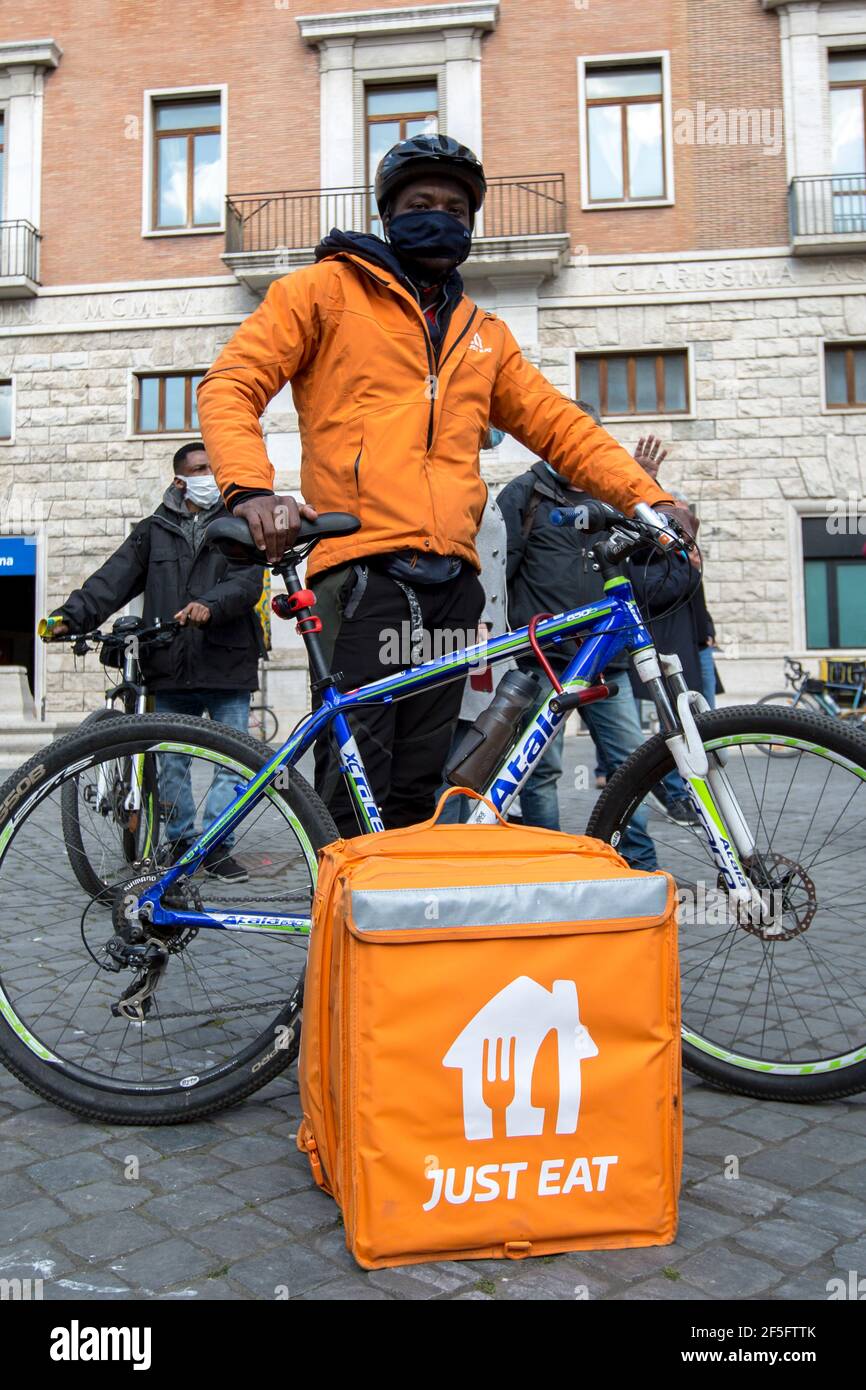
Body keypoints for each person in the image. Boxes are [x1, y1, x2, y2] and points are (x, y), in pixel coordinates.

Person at [196, 134, 681, 836]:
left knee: (423, 787)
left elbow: (558, 425)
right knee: (355, 784)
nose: (440, 217)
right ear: (388, 213)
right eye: (420, 203)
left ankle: (404, 930)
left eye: (456, 207)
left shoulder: (483, 333)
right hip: (362, 573)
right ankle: (342, 931)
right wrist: (250, 490)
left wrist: (650, 499)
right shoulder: (324, 291)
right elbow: (231, 383)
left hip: (451, 580)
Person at [41, 442, 266, 881]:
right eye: (200, 469)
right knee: (171, 762)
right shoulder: (153, 530)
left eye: (213, 467)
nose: (210, 475)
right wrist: (69, 617)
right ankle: (182, 841)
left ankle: (216, 844)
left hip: (227, 662)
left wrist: (210, 604)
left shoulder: (239, 524)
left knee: (234, 762)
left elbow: (248, 583)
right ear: (180, 479)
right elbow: (112, 579)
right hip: (168, 662)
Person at [497, 401, 658, 869]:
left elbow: (652, 560)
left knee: (634, 764)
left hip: (608, 658)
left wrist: (645, 491)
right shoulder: (523, 495)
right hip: (543, 660)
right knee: (540, 769)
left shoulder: (613, 495)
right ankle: (551, 869)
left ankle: (638, 868)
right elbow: (499, 574)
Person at [437, 442, 513, 823]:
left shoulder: (473, 479)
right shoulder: (440, 479)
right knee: (452, 773)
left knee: (484, 769)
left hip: (492, 649)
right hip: (462, 647)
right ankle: (443, 862)